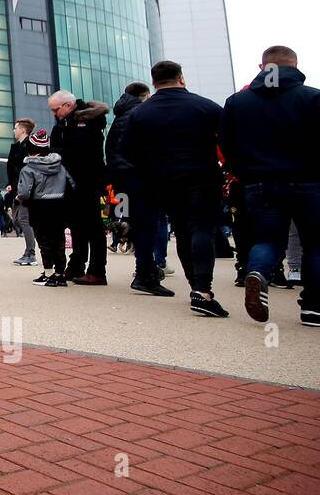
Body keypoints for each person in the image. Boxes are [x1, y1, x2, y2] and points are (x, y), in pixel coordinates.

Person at [219, 45, 320, 326]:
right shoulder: (313, 99)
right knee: (316, 245)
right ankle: (314, 307)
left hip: (259, 182)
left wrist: (244, 171)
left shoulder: (237, 102)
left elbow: (226, 144)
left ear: (261, 66)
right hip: (310, 182)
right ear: (295, 64)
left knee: (267, 240)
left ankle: (259, 273)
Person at [121, 61, 228, 317]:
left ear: (154, 81)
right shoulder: (206, 106)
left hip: (163, 180)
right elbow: (229, 140)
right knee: (202, 229)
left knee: (181, 230)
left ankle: (196, 286)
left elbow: (126, 150)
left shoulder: (140, 113)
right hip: (202, 176)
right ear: (181, 77)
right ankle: (202, 290)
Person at [104, 82, 174, 297]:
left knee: (138, 222)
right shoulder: (141, 113)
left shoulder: (120, 116)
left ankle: (147, 269)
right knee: (151, 223)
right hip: (141, 176)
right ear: (146, 94)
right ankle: (148, 270)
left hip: (122, 177)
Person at [47, 90, 109, 285]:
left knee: (93, 226)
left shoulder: (86, 121)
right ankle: (76, 265)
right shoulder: (68, 123)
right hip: (72, 181)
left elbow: (78, 151)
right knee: (76, 225)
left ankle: (97, 270)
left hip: (87, 180)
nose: (54, 114)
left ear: (67, 105)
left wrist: (59, 147)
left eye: (56, 109)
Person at [15, 127, 74, 287]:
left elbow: (24, 193)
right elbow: (71, 184)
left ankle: (48, 274)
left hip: (39, 207)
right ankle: (60, 274)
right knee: (58, 240)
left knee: (44, 241)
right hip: (59, 205)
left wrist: (18, 198)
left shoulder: (28, 169)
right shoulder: (59, 165)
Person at [6, 119, 38, 265]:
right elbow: (11, 167)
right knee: (17, 219)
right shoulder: (15, 146)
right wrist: (10, 184)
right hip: (16, 186)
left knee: (24, 219)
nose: (14, 130)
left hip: (27, 188)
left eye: (16, 128)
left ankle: (30, 254)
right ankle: (30, 252)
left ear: (23, 130)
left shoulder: (30, 146)